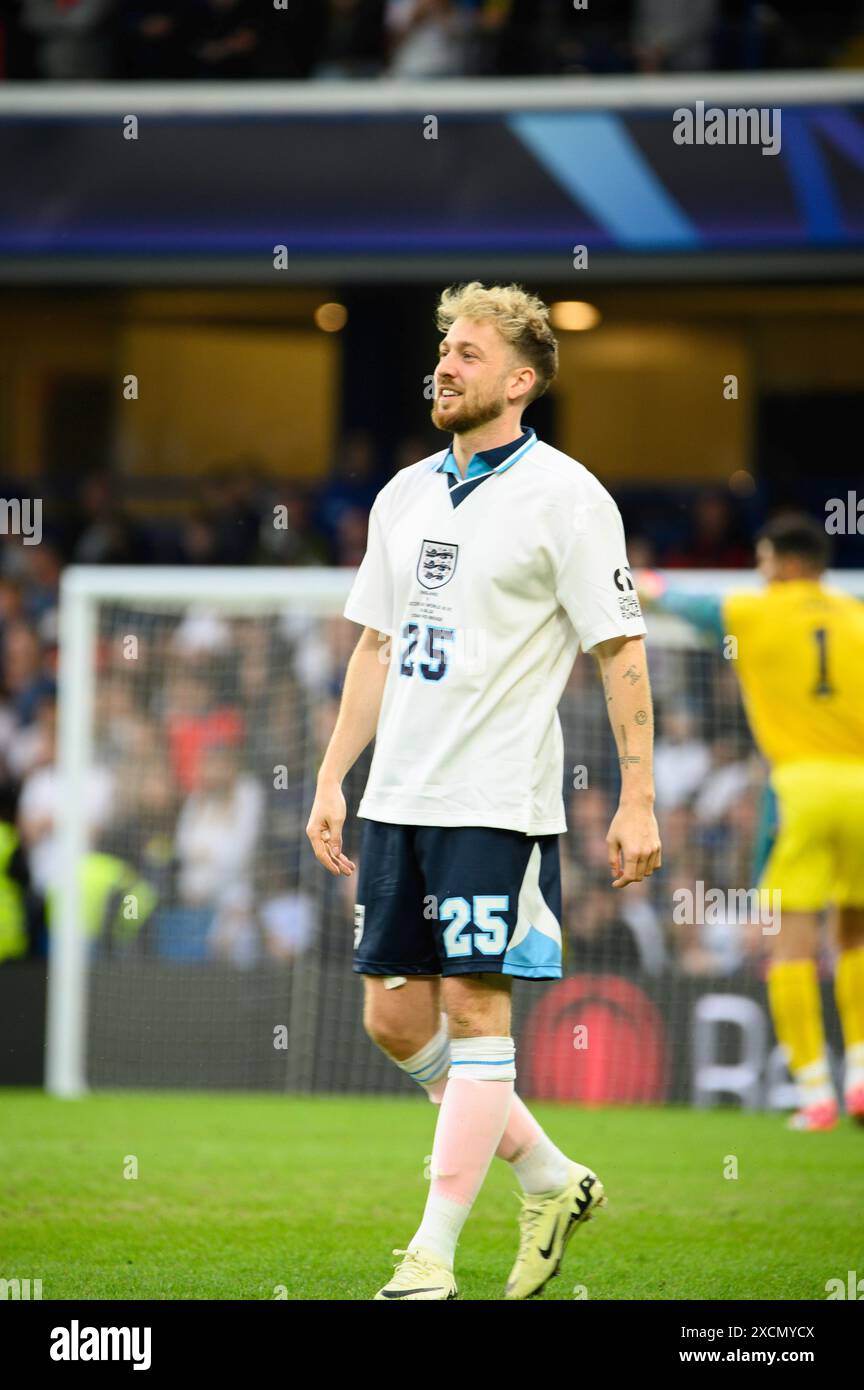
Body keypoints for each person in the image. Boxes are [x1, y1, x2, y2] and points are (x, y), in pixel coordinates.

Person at [306, 282, 660, 1300]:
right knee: (392, 1018)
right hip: (398, 798)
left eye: (466, 352)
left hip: (495, 799)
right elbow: (374, 644)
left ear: (520, 380)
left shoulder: (570, 497)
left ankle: (430, 1258)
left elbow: (620, 651)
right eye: (442, 349)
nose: (445, 365)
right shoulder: (403, 493)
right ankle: (549, 1177)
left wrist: (638, 797)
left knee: (473, 1008)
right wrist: (334, 777)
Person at [642, 514, 864, 1130]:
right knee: (854, 930)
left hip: (801, 787)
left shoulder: (753, 612)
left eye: (764, 562)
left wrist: (640, 577)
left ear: (787, 564)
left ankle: (816, 1090)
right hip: (862, 786)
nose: (761, 574)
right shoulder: (857, 617)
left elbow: (671, 598)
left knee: (790, 936)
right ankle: (863, 1076)